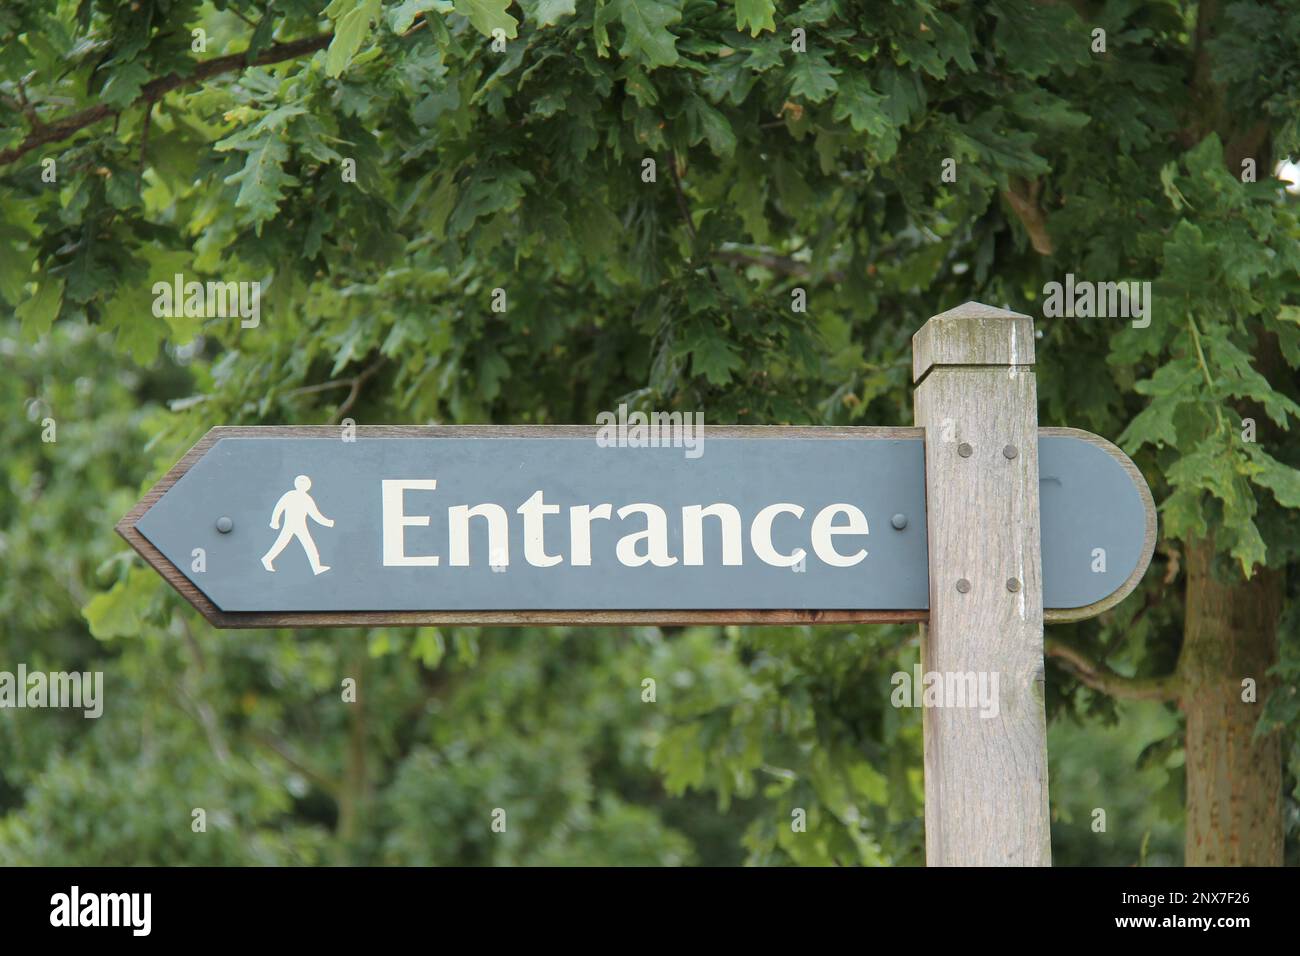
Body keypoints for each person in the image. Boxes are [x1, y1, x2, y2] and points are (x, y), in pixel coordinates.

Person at [261, 475, 334, 575]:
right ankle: (316, 567)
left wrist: (327, 522)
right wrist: (274, 521)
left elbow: (315, 514)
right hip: (293, 525)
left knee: (286, 544)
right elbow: (279, 508)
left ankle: (267, 559)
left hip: (298, 526)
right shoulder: (293, 496)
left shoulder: (304, 498)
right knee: (306, 545)